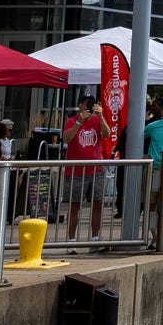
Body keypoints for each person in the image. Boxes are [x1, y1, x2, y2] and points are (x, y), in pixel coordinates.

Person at [60, 97, 115, 242]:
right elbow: (66, 139)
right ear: (80, 106)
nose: (88, 108)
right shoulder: (71, 121)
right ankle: (71, 239)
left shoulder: (97, 120)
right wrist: (79, 121)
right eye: (86, 105)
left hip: (96, 170)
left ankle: (95, 237)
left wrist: (101, 116)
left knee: (97, 202)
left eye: (91, 105)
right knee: (74, 205)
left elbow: (107, 134)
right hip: (76, 171)